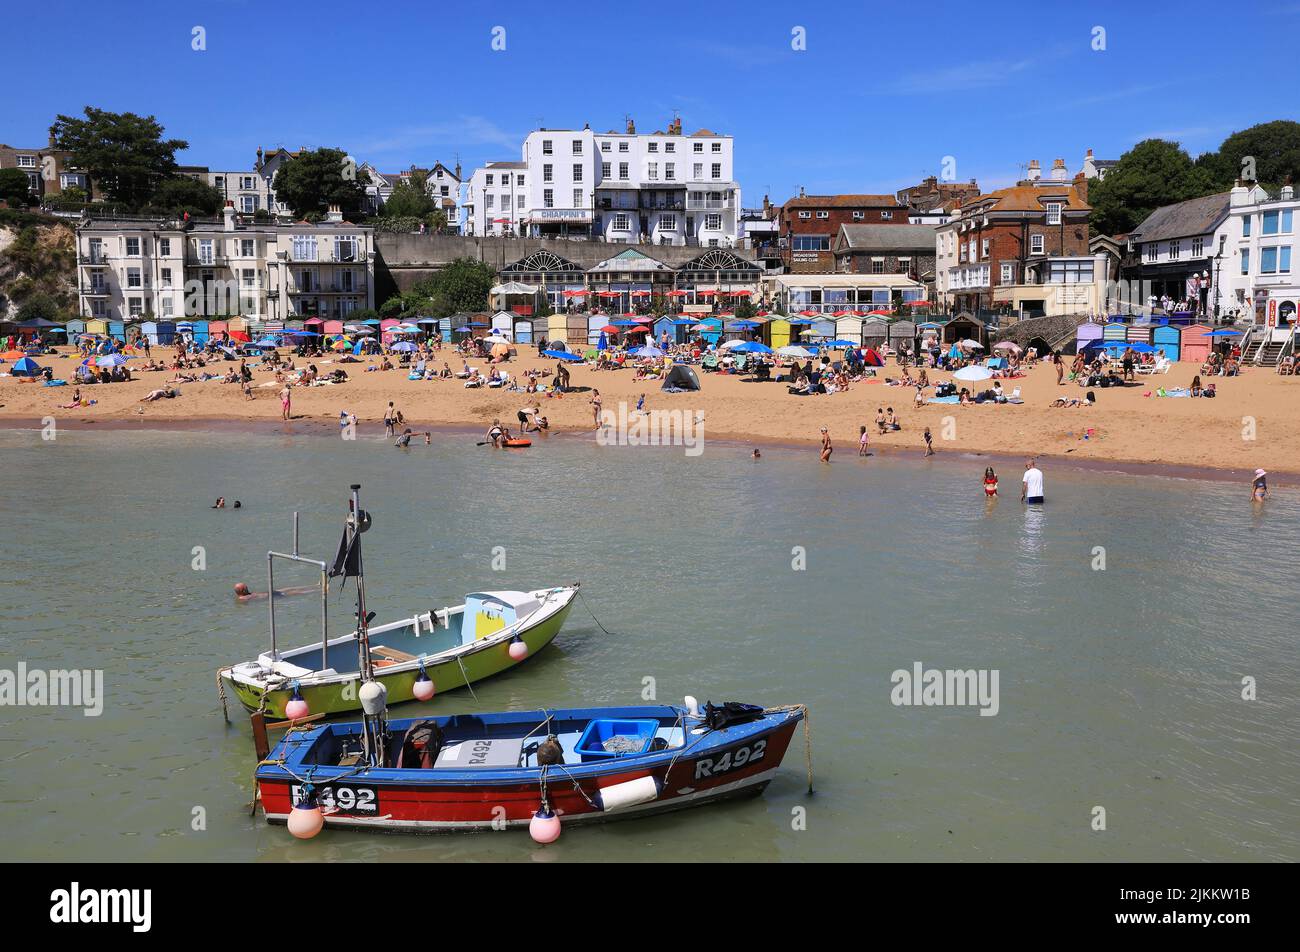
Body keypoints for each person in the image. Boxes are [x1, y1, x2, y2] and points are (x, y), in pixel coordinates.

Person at [233, 582, 318, 602]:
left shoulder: (246, 594)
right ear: (243, 590)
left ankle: (316, 585)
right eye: (246, 587)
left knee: (290, 588)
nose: (248, 588)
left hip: (270, 592)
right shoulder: (243, 598)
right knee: (295, 592)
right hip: (272, 596)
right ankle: (319, 590)